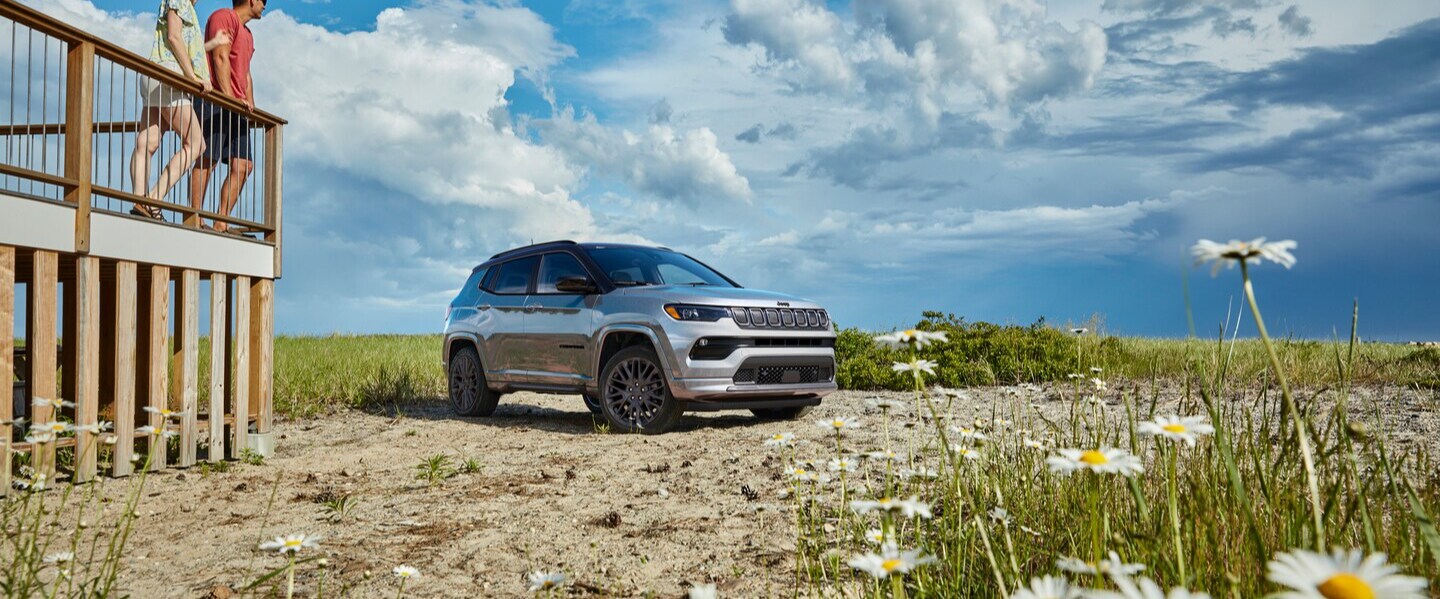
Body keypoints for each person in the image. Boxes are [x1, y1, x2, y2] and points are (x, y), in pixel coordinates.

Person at [130, 0, 231, 219]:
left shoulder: (186, 8)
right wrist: (192, 77)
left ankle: (140, 201)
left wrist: (212, 43)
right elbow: (174, 37)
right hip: (170, 77)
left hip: (154, 73)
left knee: (148, 141)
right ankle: (153, 200)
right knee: (196, 144)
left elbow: (181, 45)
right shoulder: (181, 1)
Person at [190, 0, 265, 233]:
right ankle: (195, 216)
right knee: (207, 158)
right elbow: (219, 57)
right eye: (264, 1)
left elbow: (246, 72)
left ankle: (221, 222)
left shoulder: (248, 34)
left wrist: (250, 102)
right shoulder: (223, 16)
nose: (265, 6)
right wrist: (228, 98)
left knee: (244, 165)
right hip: (217, 99)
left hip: (238, 105)